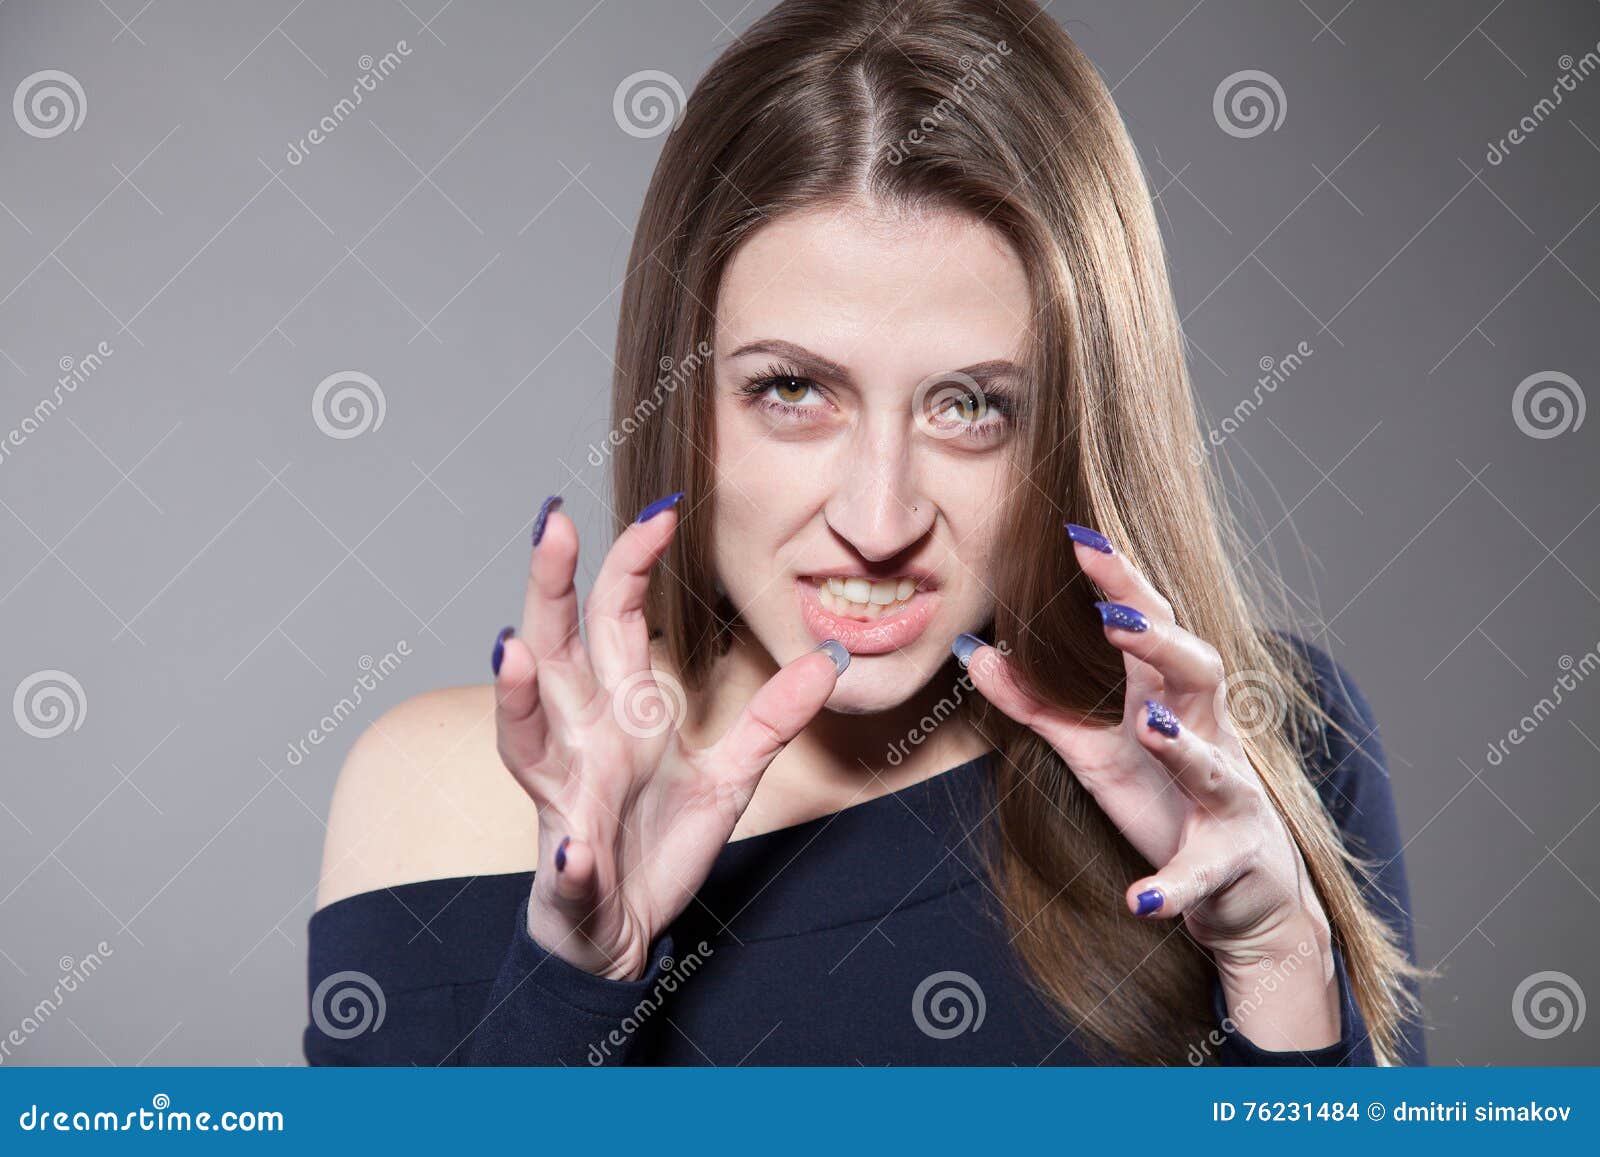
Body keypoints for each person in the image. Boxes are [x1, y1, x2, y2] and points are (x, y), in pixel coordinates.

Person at [306, 0, 1428, 1066]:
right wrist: (572, 979)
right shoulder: (440, 797)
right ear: (681, 392)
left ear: (1075, 427)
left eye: (971, 405)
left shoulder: (1264, 748)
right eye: (792, 388)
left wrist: (1277, 960)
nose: (877, 521)